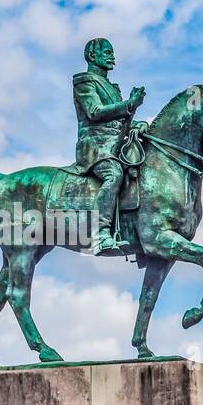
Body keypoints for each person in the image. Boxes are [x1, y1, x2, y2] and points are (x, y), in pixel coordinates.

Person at [71, 38, 145, 252]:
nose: (112, 56)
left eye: (112, 52)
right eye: (107, 52)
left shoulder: (113, 88)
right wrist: (129, 104)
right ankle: (101, 233)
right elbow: (94, 112)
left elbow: (119, 121)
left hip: (115, 145)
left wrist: (136, 124)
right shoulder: (84, 81)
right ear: (92, 56)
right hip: (95, 147)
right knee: (113, 175)